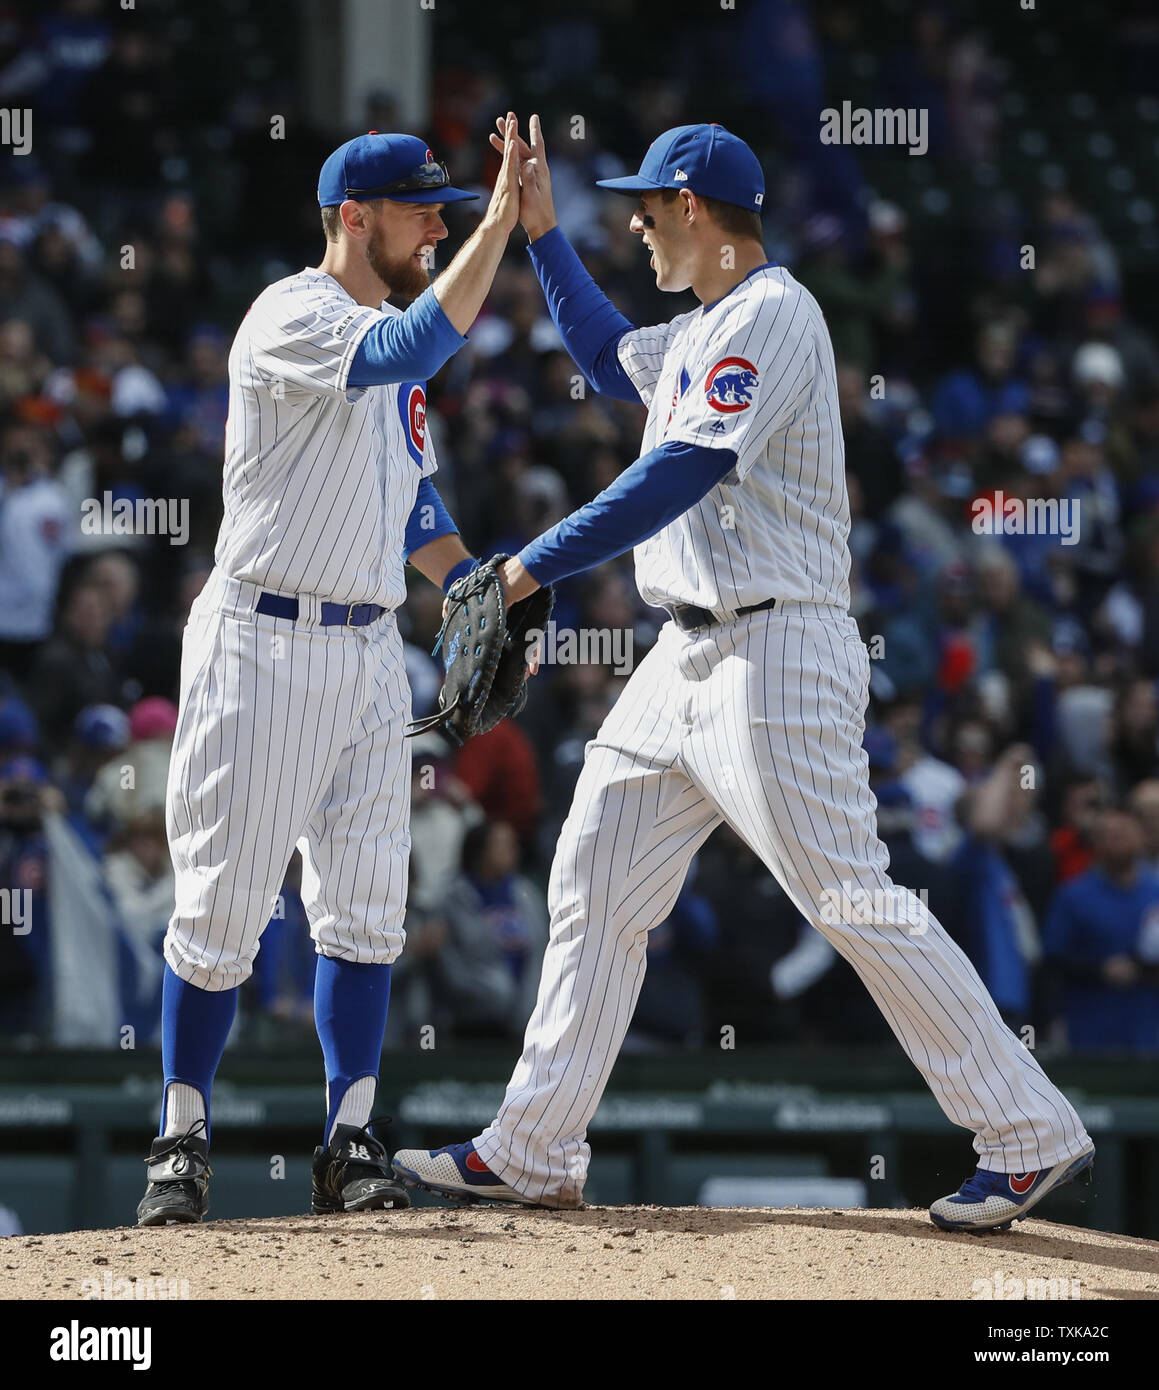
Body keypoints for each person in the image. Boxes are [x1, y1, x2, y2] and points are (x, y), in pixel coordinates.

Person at [392, 118, 1095, 1232]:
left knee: (848, 894)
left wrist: (525, 566)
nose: (632, 222)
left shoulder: (772, 313)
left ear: (696, 209)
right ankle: (532, 1142)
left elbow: (678, 470)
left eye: (646, 206)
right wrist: (539, 236)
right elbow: (603, 355)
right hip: (686, 652)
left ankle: (1028, 1131)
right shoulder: (703, 326)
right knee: (592, 873)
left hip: (775, 647)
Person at [135, 119, 525, 1226]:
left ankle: (350, 1138)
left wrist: (470, 589)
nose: (440, 220)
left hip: (365, 648)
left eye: (451, 207)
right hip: (260, 637)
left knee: (365, 914)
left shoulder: (380, 331)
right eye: (421, 208)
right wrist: (503, 223)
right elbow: (412, 350)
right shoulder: (293, 315)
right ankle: (180, 1140)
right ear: (354, 217)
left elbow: (415, 497)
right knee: (221, 910)